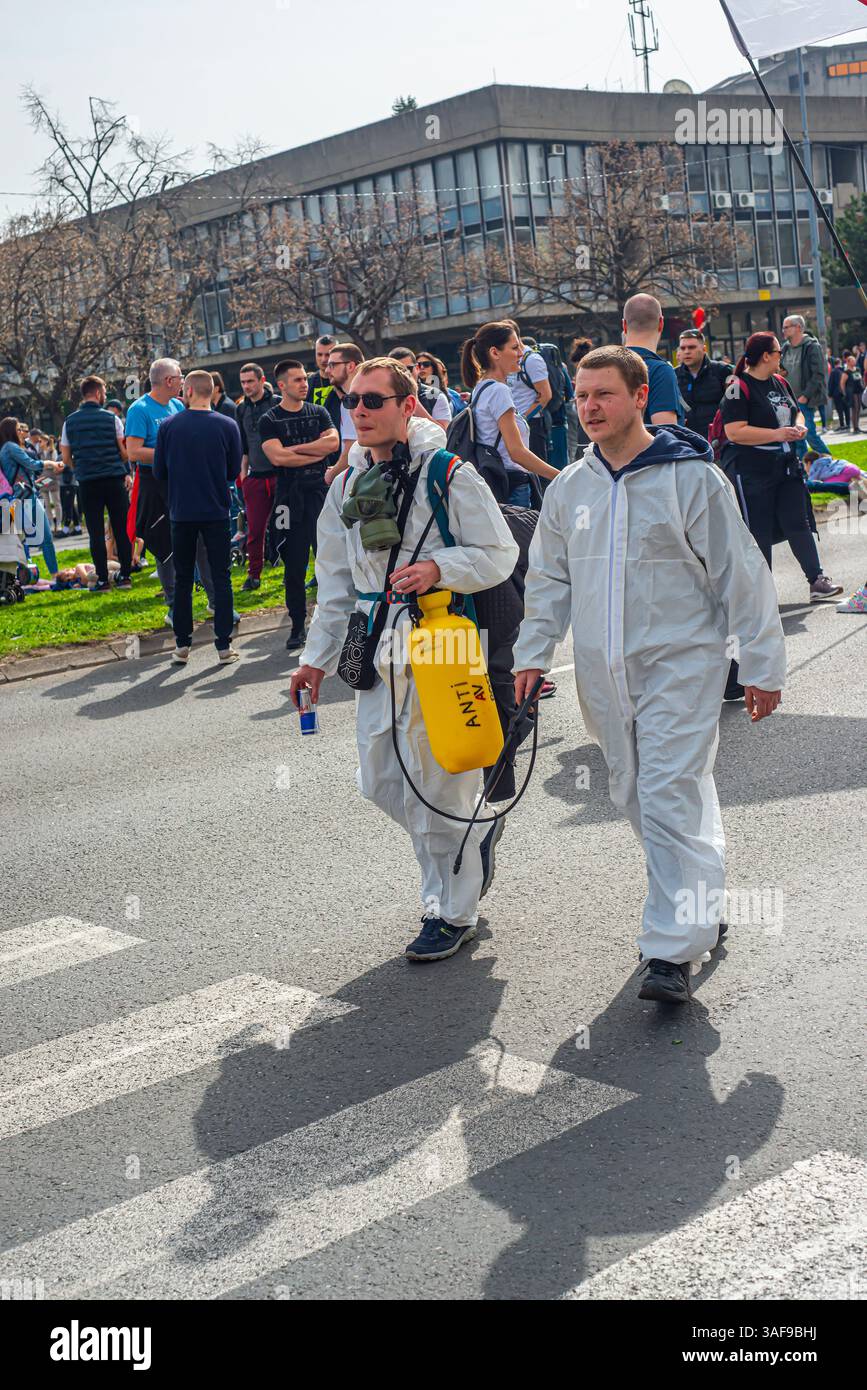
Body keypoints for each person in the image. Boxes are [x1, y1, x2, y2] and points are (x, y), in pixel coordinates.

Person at [513, 345, 786, 1005]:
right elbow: (548, 578)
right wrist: (531, 651)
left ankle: (669, 950)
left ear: (640, 396)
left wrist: (759, 661)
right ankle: (699, 897)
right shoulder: (571, 487)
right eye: (579, 396)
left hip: (681, 665)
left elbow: (739, 572)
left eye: (602, 394)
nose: (587, 408)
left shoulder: (689, 478)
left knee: (666, 790)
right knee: (636, 791)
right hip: (603, 675)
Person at [289, 356, 519, 962]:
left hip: (441, 633)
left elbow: (499, 552)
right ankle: (473, 835)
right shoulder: (344, 484)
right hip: (376, 635)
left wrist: (442, 568)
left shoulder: (449, 473)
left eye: (373, 401)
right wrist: (314, 661)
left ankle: (450, 908)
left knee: (441, 774)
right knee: (384, 779)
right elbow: (334, 582)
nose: (359, 411)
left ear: (407, 406)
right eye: (353, 402)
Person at [719, 332, 843, 692]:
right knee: (757, 534)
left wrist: (799, 426)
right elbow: (735, 432)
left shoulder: (780, 382)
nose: (782, 358)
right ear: (763, 356)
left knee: (799, 522)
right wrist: (777, 433)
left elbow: (795, 409)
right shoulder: (738, 387)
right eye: (777, 353)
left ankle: (817, 579)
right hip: (752, 471)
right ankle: (761, 598)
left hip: (786, 468)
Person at [153, 370, 242, 665]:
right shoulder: (228, 425)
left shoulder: (168, 426)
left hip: (181, 511)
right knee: (222, 576)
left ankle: (182, 644)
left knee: (182, 579)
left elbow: (158, 472)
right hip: (216, 509)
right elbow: (232, 471)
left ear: (188, 391)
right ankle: (223, 644)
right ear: (211, 390)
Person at [259, 358, 339, 651]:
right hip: (288, 500)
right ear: (281, 385)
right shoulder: (269, 419)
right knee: (293, 567)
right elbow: (277, 458)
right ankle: (297, 626)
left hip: (321, 494)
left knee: (329, 562)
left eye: (305, 379)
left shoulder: (318, 413)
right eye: (297, 380)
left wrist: (294, 450)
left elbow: (332, 445)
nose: (304, 384)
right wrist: (311, 453)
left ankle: (333, 623)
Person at [461, 321, 558, 507]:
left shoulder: (481, 387)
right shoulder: (499, 391)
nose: (521, 353)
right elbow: (517, 452)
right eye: (515, 347)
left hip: (498, 481)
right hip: (511, 484)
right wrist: (560, 476)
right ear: (495, 353)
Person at [125, 359, 186, 618]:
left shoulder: (178, 405)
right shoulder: (139, 409)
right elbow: (134, 451)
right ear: (169, 380)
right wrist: (169, 453)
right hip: (153, 480)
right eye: (180, 376)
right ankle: (173, 605)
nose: (184, 381)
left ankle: (211, 599)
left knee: (194, 538)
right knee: (163, 543)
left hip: (180, 478)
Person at [60, 375, 133, 590]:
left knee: (95, 532)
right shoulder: (112, 419)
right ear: (99, 393)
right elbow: (125, 452)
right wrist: (114, 462)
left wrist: (80, 466)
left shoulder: (69, 422)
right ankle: (125, 576)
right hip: (113, 479)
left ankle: (102, 579)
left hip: (88, 482)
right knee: (120, 529)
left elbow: (65, 458)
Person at [236, 362, 280, 592]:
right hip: (255, 477)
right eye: (243, 382)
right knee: (254, 530)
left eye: (250, 381)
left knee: (287, 526)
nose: (246, 386)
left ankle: (294, 571)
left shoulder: (277, 403)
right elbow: (243, 444)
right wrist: (243, 474)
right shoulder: (241, 409)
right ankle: (253, 575)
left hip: (280, 475)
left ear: (262, 381)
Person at [0, 416, 60, 582]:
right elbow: (31, 463)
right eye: (19, 429)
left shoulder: (7, 448)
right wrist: (50, 464)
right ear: (11, 431)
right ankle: (53, 575)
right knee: (44, 538)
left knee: (22, 540)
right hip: (24, 499)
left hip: (17, 499)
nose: (22, 432)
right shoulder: (10, 447)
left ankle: (24, 577)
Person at [621, 293, 684, 425]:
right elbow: (666, 433)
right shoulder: (660, 371)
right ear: (661, 323)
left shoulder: (606, 366)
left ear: (624, 325)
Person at [502, 320, 552, 464]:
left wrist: (524, 418)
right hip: (515, 424)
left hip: (532, 424)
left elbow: (545, 395)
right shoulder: (509, 360)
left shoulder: (532, 360)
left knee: (538, 473)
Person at [780, 315, 829, 454]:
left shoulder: (811, 346)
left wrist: (806, 395)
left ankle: (832, 463)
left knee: (810, 435)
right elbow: (782, 369)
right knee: (797, 440)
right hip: (789, 400)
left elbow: (818, 374)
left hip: (803, 399)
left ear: (799, 328)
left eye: (786, 327)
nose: (783, 330)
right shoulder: (785, 348)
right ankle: (803, 472)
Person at [674, 329, 731, 440]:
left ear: (704, 349)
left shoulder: (723, 371)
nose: (686, 352)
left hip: (719, 440)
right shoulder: (673, 376)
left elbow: (736, 406)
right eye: (683, 348)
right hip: (688, 442)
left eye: (691, 347)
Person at [324, 342, 366, 481]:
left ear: (350, 366)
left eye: (332, 365)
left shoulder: (353, 401)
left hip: (360, 477)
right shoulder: (349, 399)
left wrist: (331, 475)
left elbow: (351, 451)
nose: (327, 371)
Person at [388, 347, 452, 423]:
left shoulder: (435, 396)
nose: (404, 375)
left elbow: (443, 432)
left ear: (417, 368)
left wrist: (415, 403)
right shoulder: (383, 397)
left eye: (408, 369)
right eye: (398, 370)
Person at [841, 353, 864, 434]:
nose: (854, 362)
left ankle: (857, 426)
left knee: (858, 409)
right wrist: (844, 393)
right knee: (855, 409)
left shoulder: (857, 369)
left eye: (854, 360)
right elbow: (842, 383)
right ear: (848, 362)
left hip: (859, 391)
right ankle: (855, 427)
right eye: (852, 361)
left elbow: (860, 379)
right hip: (852, 393)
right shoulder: (846, 372)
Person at [828, 358, 847, 431]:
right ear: (840, 363)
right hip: (844, 393)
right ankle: (848, 424)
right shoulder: (844, 371)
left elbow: (831, 384)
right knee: (846, 409)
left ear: (835, 364)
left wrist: (830, 394)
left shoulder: (833, 372)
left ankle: (842, 424)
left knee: (839, 410)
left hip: (836, 394)